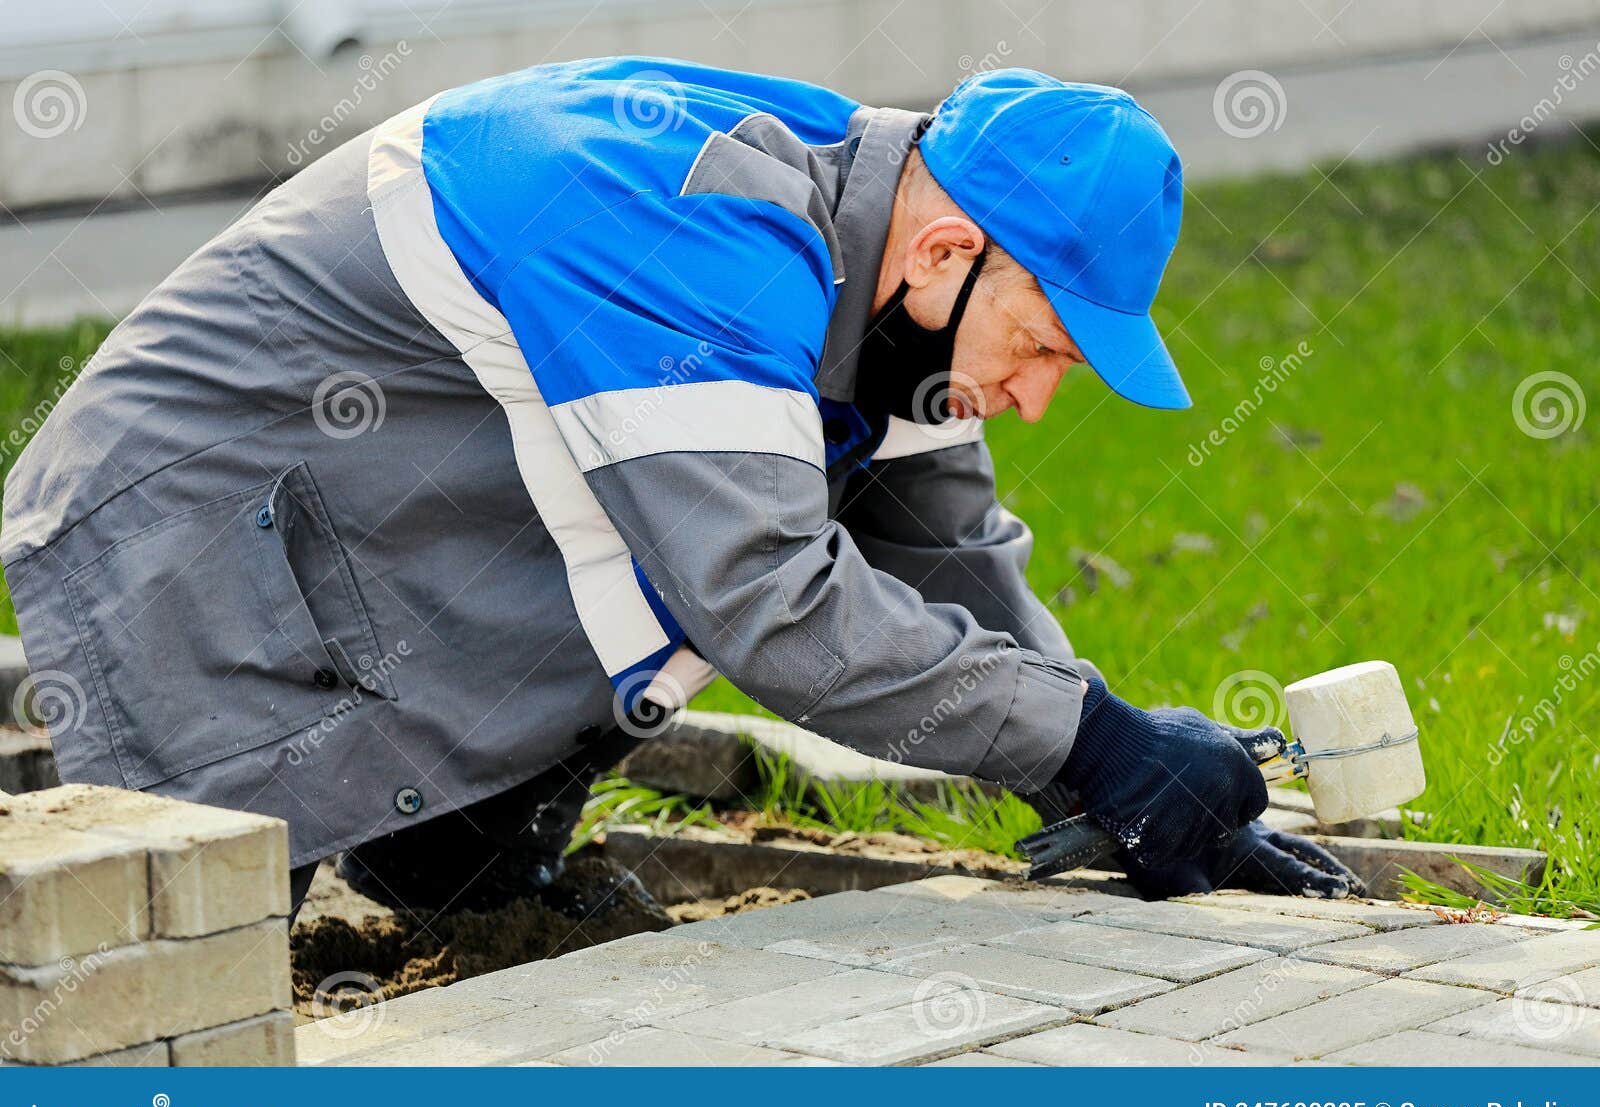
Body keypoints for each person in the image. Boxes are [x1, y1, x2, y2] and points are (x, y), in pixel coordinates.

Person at [1, 59, 1360, 921]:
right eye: (1047, 347)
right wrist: (1094, 740)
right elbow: (768, 600)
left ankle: (449, 852)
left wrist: (1110, 780)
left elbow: (954, 562)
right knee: (186, 957)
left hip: (346, 537)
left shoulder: (879, 278)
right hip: (183, 535)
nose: (1038, 393)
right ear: (948, 251)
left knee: (702, 539)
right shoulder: (703, 237)